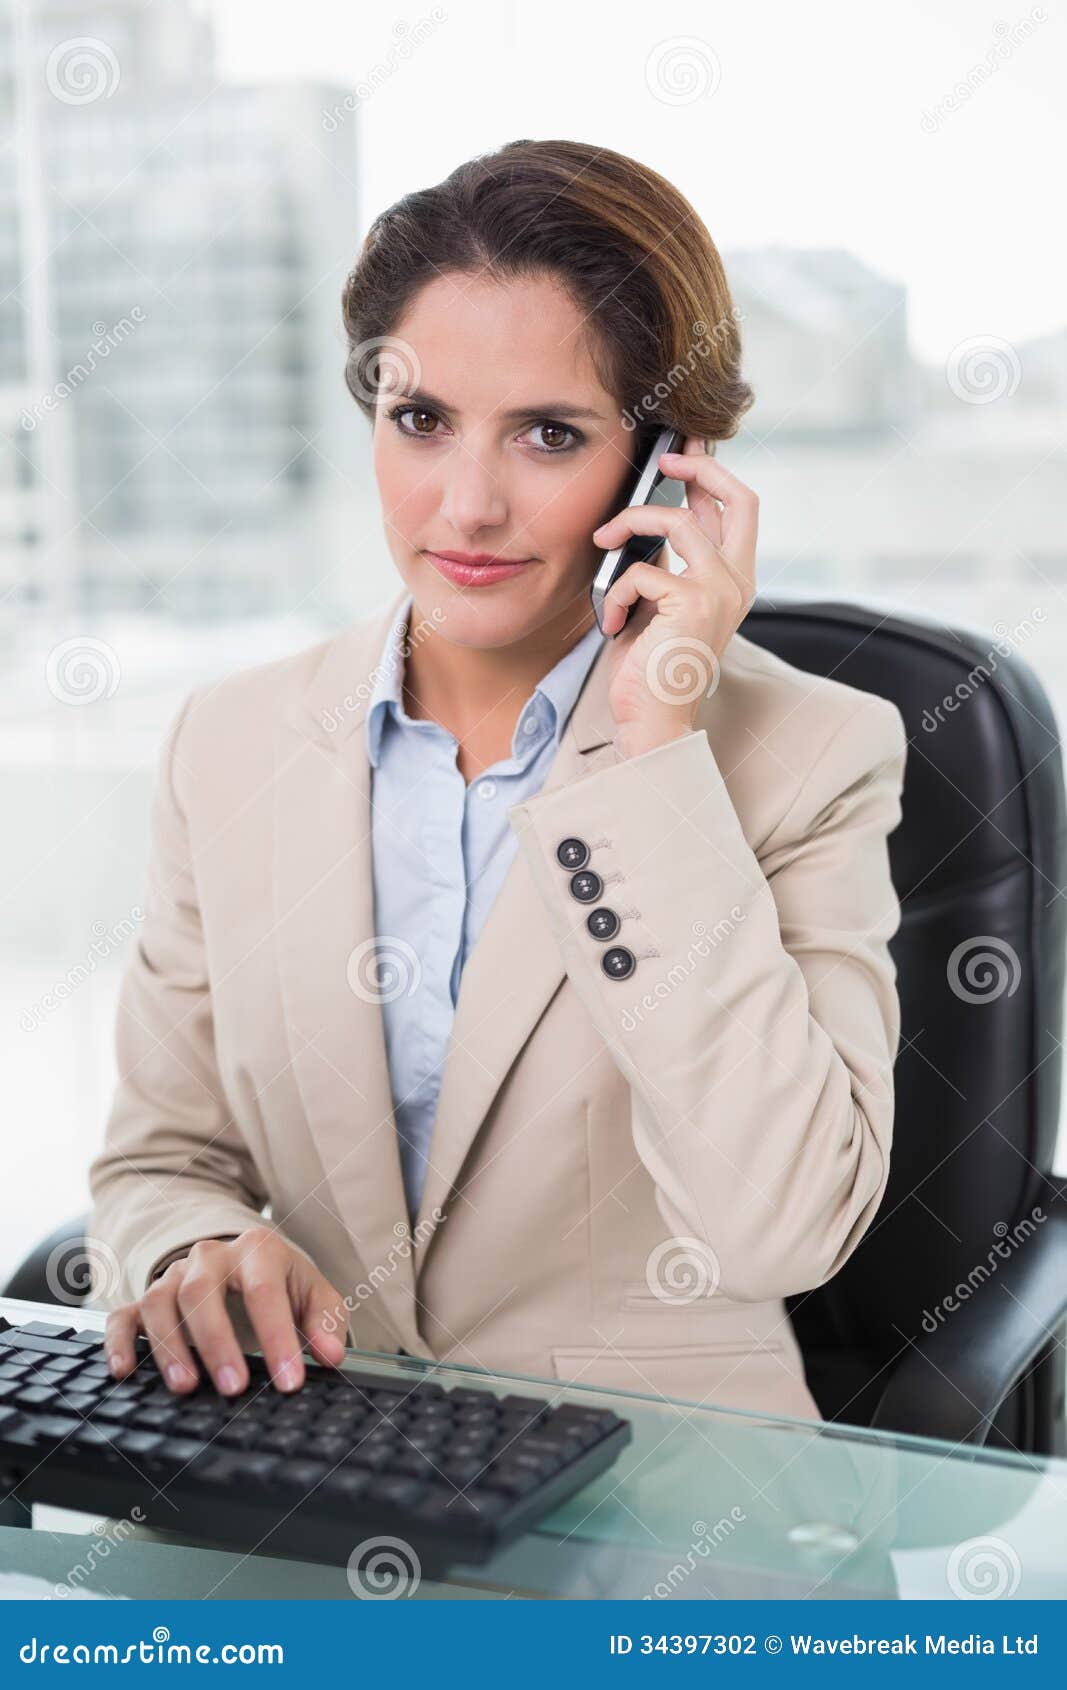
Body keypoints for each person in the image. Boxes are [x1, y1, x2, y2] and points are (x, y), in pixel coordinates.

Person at [88, 138, 907, 1425]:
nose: (464, 505)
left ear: (664, 466)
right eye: (420, 421)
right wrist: (193, 1250)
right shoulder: (229, 743)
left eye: (546, 433)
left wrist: (654, 753)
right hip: (316, 1474)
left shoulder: (811, 758)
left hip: (664, 1527)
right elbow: (160, 1155)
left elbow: (774, 1232)